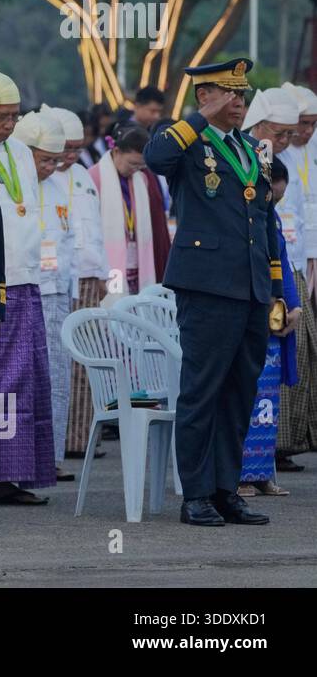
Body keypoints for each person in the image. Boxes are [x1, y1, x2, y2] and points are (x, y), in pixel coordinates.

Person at [143, 57, 281, 527]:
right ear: (205, 96)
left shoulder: (250, 149)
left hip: (250, 285)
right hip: (206, 284)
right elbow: (155, 158)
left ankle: (226, 488)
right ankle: (196, 493)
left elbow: (265, 221)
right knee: (202, 391)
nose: (238, 102)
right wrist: (199, 116)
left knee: (239, 392)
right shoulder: (187, 141)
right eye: (228, 93)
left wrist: (275, 286)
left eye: (242, 94)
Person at [0, 70, 55, 505]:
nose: (8, 124)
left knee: (27, 381)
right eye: (0, 116)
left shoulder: (21, 151)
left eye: (14, 116)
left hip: (27, 282)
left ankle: (13, 477)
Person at [46, 105, 109, 461]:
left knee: (84, 363)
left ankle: (80, 438)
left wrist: (101, 273)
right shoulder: (41, 175)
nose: (70, 156)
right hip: (56, 280)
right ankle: (56, 440)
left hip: (88, 279)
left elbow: (96, 228)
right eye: (65, 148)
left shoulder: (83, 175)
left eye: (76, 148)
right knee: (57, 364)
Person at [13, 110, 74, 481]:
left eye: (56, 160)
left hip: (57, 290)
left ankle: (47, 460)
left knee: (55, 379)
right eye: (45, 159)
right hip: (24, 289)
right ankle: (15, 464)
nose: (51, 167)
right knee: (23, 380)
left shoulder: (59, 187)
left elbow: (72, 240)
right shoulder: (13, 181)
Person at [239, 158, 300, 497]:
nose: (273, 197)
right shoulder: (243, 215)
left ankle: (262, 472)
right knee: (245, 397)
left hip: (274, 317)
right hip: (251, 314)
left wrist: (294, 306)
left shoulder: (271, 218)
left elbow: (284, 265)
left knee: (268, 401)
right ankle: (240, 474)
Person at [277, 81, 317, 471]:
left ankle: (296, 438)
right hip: (280, 269)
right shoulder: (264, 156)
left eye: (310, 124)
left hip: (303, 263)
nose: (303, 133)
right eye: (296, 125)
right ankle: (275, 443)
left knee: (305, 354)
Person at [90, 125, 169, 293]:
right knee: (115, 304)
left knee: (137, 308)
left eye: (141, 166)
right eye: (132, 163)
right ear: (116, 151)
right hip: (111, 261)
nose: (135, 169)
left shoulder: (141, 179)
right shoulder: (94, 177)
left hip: (137, 260)